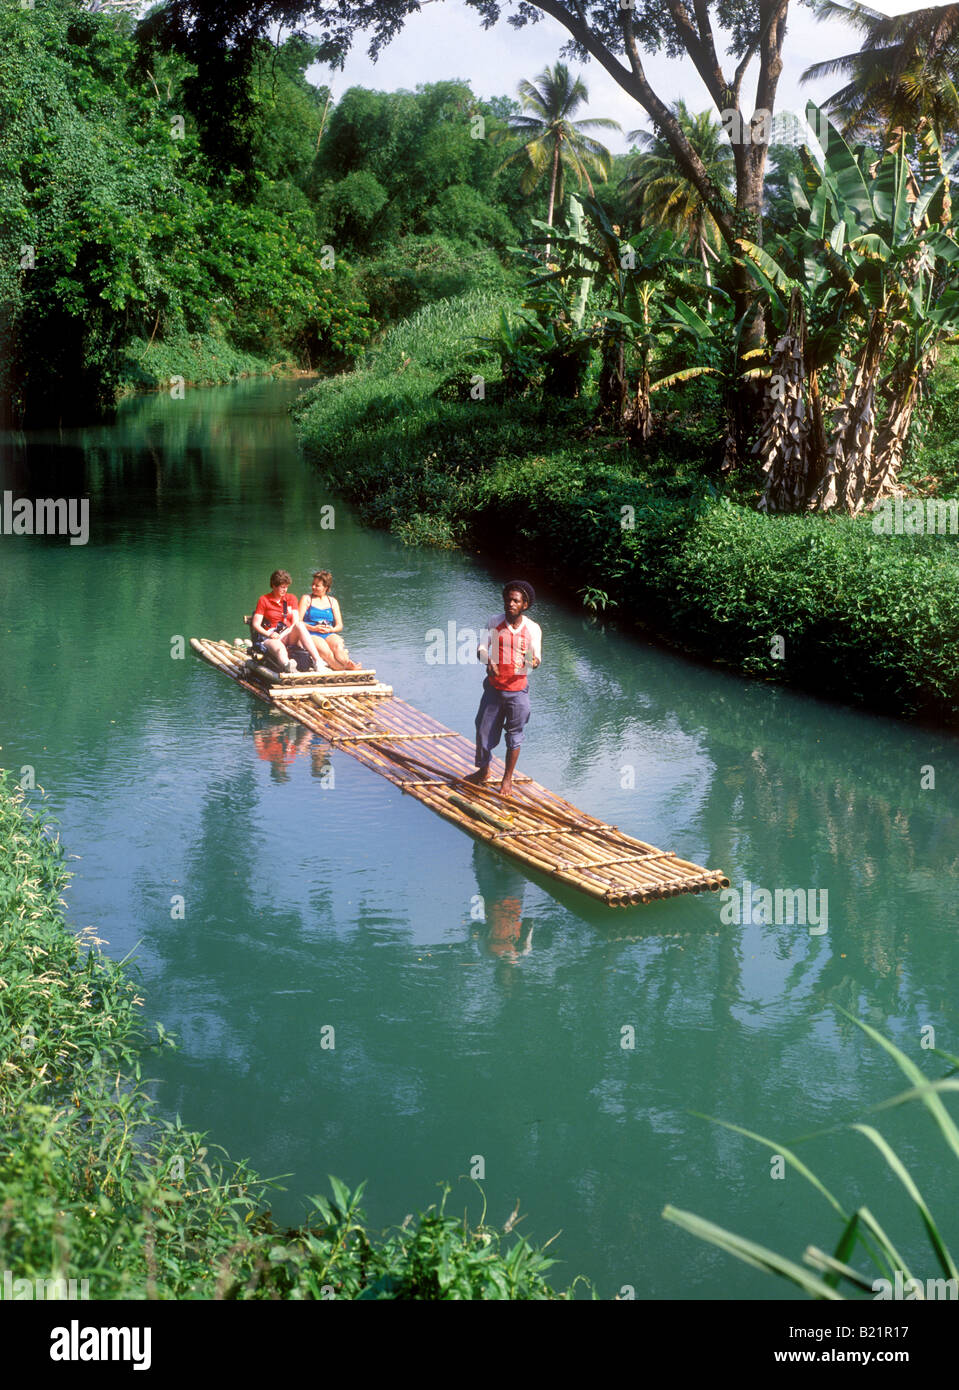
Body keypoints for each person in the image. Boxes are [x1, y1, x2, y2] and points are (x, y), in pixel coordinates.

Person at [467, 580, 542, 799]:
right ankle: (483, 771)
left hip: (518, 692)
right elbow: (481, 648)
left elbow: (536, 657)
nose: (510, 603)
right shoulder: (494, 622)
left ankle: (507, 779)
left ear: (524, 605)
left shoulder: (532, 629)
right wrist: (487, 661)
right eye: (508, 599)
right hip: (493, 689)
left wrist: (528, 662)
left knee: (514, 736)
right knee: (482, 730)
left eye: (515, 601)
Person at [250, 570, 331, 673]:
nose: (285, 590)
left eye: (286, 587)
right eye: (282, 587)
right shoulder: (264, 600)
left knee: (300, 625)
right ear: (274, 586)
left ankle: (317, 661)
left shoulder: (291, 598)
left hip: (287, 634)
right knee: (280, 649)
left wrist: (285, 632)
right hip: (271, 636)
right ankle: (287, 665)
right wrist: (269, 634)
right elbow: (256, 624)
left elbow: (295, 622)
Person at [298, 570, 361, 672]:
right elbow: (298, 622)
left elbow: (339, 626)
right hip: (311, 633)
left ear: (326, 587)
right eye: (313, 584)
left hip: (328, 633)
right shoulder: (306, 599)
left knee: (338, 645)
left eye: (317, 585)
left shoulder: (332, 601)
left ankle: (346, 663)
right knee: (325, 650)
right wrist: (313, 628)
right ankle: (344, 668)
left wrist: (331, 629)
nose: (313, 587)